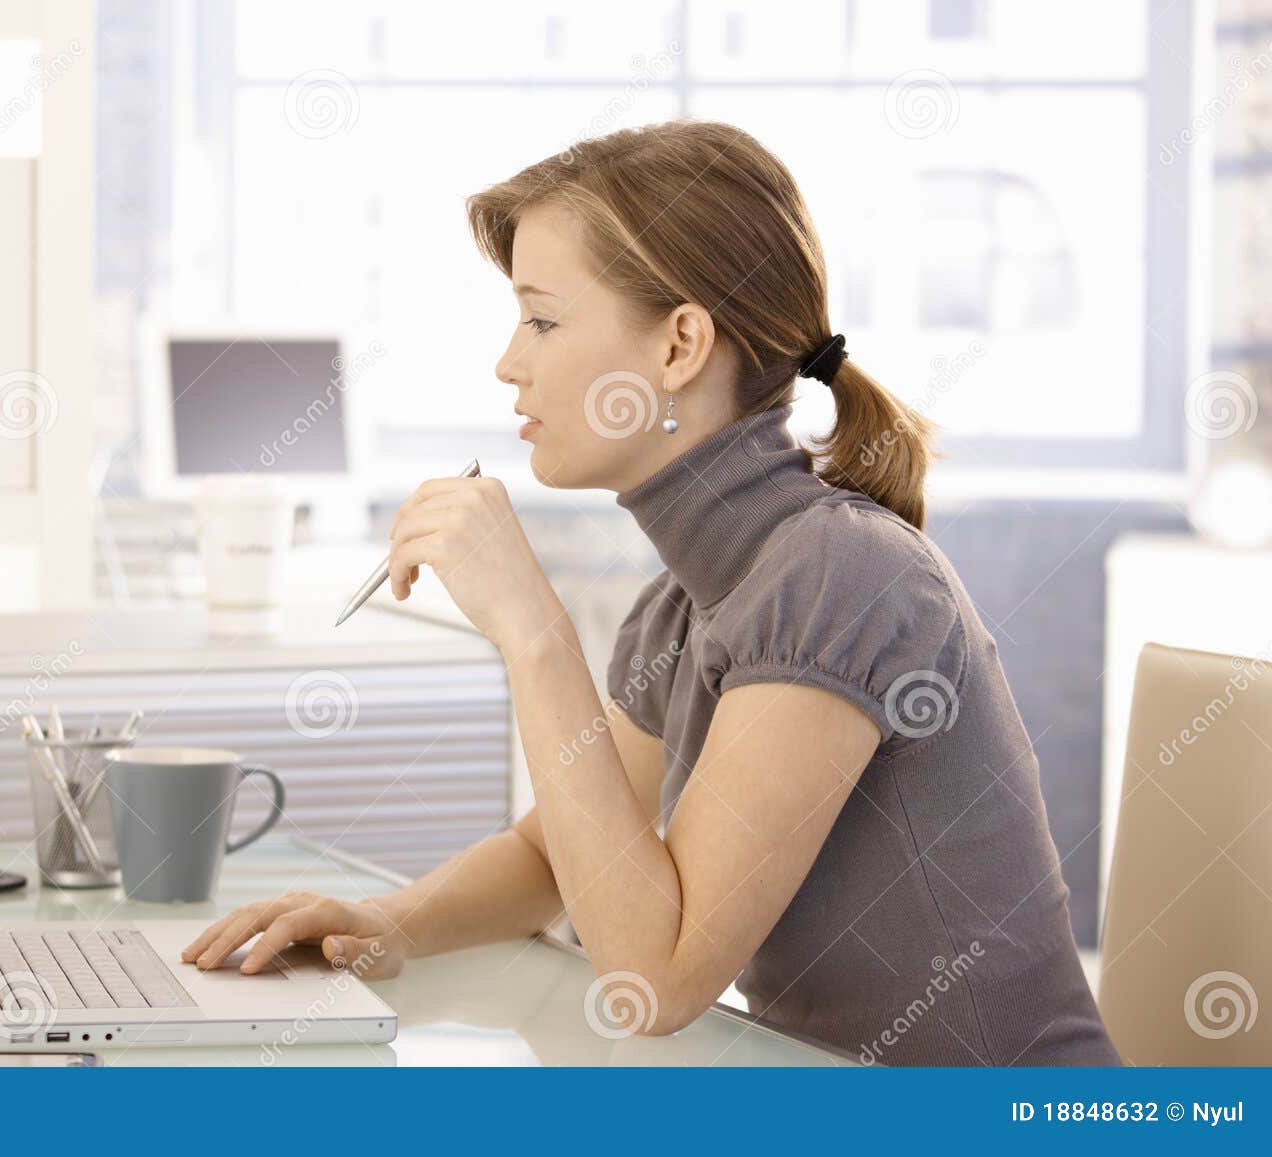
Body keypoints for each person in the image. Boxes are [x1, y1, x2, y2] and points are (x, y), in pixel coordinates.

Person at [181, 120, 1119, 1066]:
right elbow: (558, 858)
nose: (510, 361)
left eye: (543, 319)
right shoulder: (689, 598)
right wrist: (383, 920)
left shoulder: (842, 574)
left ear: (679, 347)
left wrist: (533, 629)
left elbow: (655, 978)